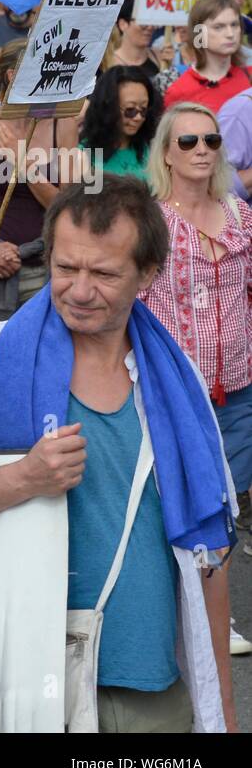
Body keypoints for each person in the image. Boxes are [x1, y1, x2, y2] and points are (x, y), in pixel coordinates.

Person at [0, 176, 238, 733]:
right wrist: (22, 478)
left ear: (148, 274)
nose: (79, 290)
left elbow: (211, 558)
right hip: (21, 686)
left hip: (154, 691)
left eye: (104, 274)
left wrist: (224, 713)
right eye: (65, 268)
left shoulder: (178, 380)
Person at [141, 102, 252, 567]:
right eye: (188, 141)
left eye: (211, 140)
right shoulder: (150, 221)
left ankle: (214, 592)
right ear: (167, 153)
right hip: (178, 391)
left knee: (228, 503)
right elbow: (133, 303)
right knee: (187, 504)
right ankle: (188, 601)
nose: (202, 149)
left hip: (240, 389)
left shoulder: (240, 214)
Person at [0, 40, 84, 331]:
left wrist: (23, 163)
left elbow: (68, 207)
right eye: (46, 70)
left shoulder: (63, 124)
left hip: (44, 269)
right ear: (13, 76)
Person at [164, 0, 249, 112]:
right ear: (199, 33)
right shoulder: (179, 91)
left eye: (234, 25)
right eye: (218, 27)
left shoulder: (249, 77)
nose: (230, 34)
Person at [80, 65, 161, 181]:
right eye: (130, 110)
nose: (138, 117)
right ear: (108, 108)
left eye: (143, 109)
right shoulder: (84, 154)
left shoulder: (152, 149)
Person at [103, 7, 166, 79]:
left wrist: (169, 65)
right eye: (143, 22)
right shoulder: (110, 63)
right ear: (123, 24)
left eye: (152, 22)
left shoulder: (159, 56)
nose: (150, 27)